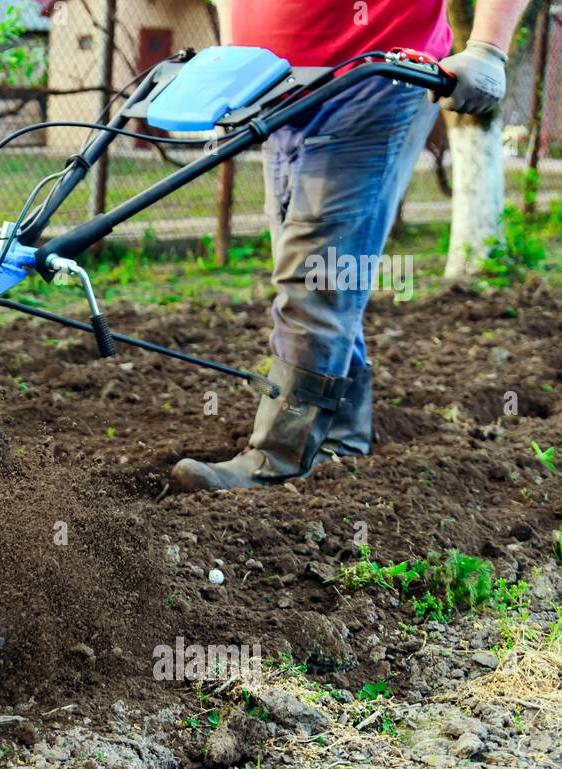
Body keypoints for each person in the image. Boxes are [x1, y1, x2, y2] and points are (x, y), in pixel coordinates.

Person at [172, 0, 530, 492]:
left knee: (317, 273)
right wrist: (238, 62)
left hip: (376, 78)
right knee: (324, 272)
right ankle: (339, 440)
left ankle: (278, 458)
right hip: (279, 89)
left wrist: (488, 47)